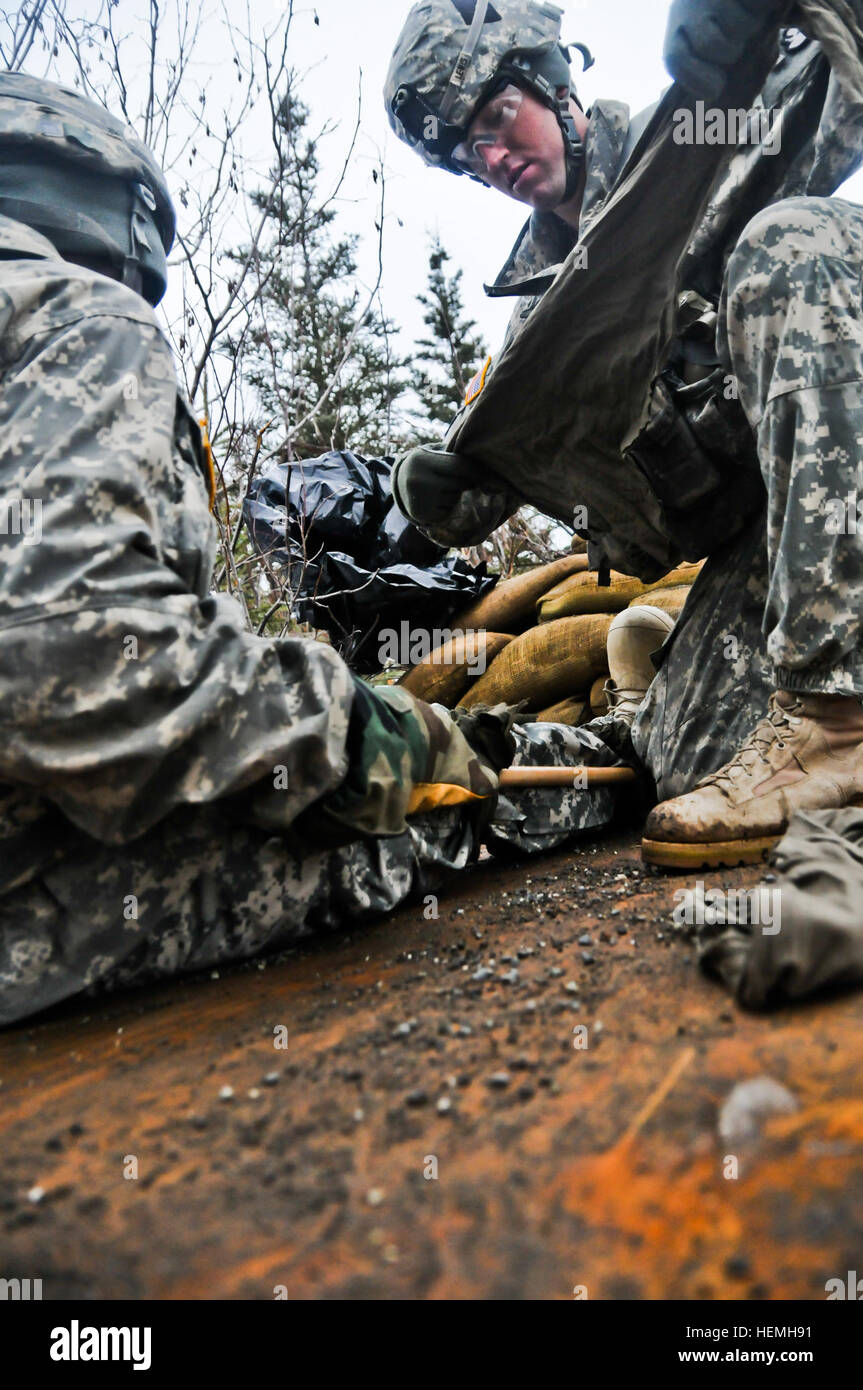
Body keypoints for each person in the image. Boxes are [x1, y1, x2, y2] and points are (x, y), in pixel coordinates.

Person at [0, 71, 625, 1027]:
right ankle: (601, 769)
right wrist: (358, 736)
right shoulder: (68, 317)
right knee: (414, 810)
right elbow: (79, 669)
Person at [386, 0, 863, 870]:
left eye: (497, 116)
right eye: (467, 152)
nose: (494, 157)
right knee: (685, 758)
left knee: (785, 244)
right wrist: (475, 490)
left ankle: (840, 709)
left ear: (553, 81)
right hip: (786, 532)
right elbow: (637, 533)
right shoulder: (540, 327)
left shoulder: (703, 139)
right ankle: (827, 718)